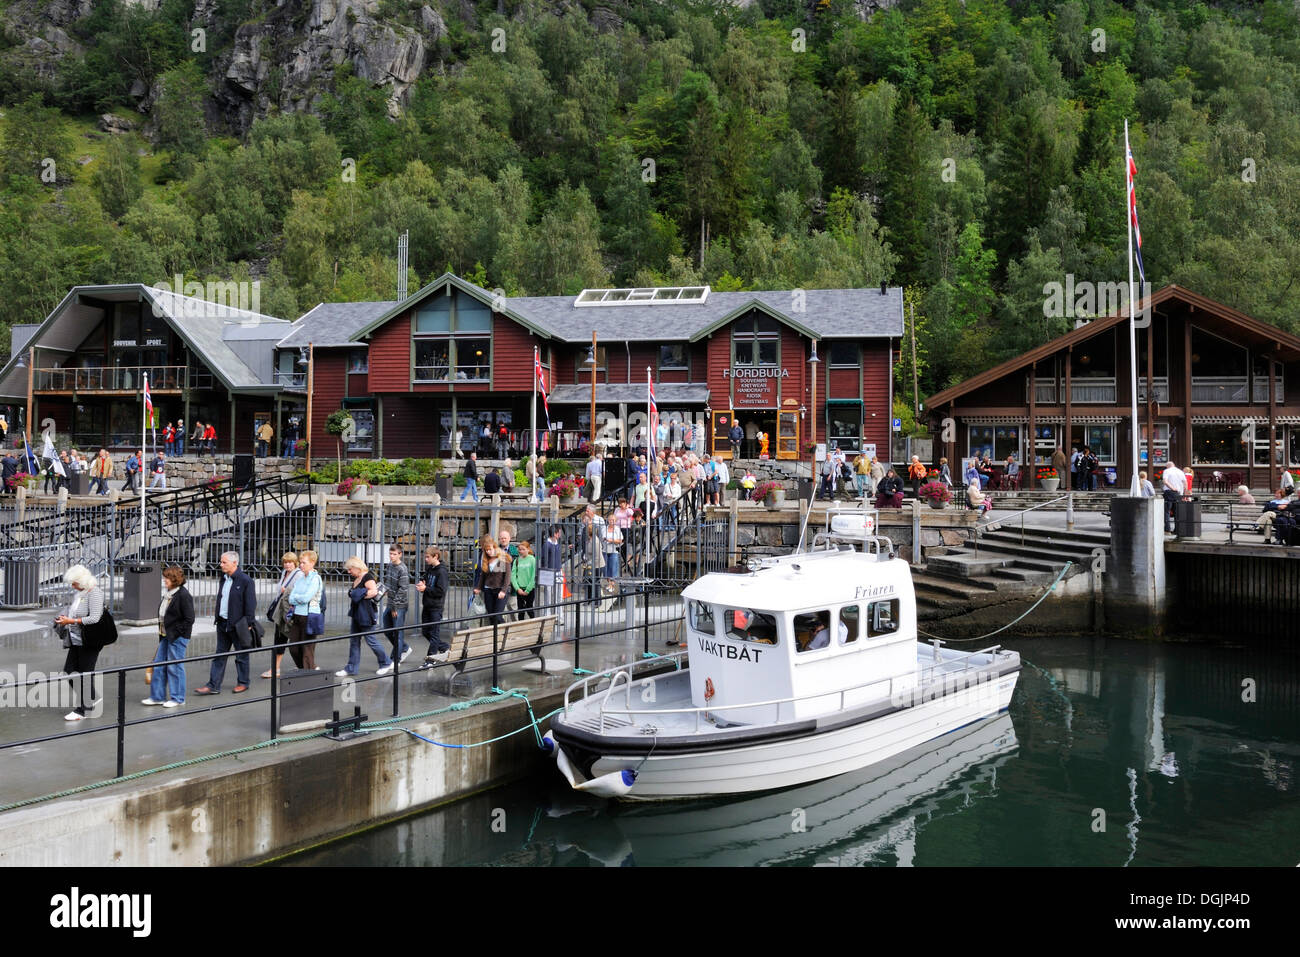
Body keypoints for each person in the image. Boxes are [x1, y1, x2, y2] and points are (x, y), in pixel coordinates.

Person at [195, 552, 258, 695]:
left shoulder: (246, 581)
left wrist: (248, 624)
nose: (221, 565)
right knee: (219, 655)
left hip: (238, 625)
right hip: (223, 623)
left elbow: (250, 605)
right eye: (221, 562)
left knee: (241, 656)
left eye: (224, 562)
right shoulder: (224, 578)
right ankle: (213, 685)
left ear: (235, 563)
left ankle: (243, 683)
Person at [53, 565, 110, 721]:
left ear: (82, 581)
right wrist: (65, 620)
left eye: (74, 583)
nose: (72, 586)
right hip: (76, 639)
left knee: (84, 673)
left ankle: (83, 709)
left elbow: (94, 618)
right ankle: (91, 698)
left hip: (90, 640)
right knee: (70, 671)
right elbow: (76, 613)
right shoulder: (81, 594)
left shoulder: (95, 593)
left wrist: (71, 620)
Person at [142, 566, 194, 708]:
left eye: (167, 577)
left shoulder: (183, 596)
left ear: (175, 579)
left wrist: (176, 633)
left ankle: (178, 698)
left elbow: (189, 619)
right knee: (159, 665)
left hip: (176, 637)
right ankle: (157, 696)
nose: (164, 580)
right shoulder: (170, 593)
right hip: (166, 635)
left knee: (174, 667)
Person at [337, 557, 394, 677]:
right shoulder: (358, 578)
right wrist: (357, 593)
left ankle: (386, 663)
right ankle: (351, 668)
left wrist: (358, 594)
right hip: (357, 612)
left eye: (350, 569)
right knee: (354, 641)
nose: (349, 572)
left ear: (357, 567)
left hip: (366, 613)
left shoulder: (367, 577)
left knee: (371, 640)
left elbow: (373, 592)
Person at [263, 551, 302, 678]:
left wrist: (288, 592)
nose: (287, 565)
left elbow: (299, 592)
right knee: (279, 638)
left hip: (291, 611)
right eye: (285, 562)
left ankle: (302, 665)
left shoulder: (299, 574)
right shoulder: (284, 573)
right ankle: (276, 668)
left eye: (290, 562)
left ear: (295, 563)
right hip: (282, 610)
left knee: (295, 639)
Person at [285, 549, 323, 671]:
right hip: (297, 615)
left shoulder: (315, 579)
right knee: (294, 647)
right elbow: (291, 598)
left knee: (307, 649)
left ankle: (308, 673)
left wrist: (297, 597)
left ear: (312, 563)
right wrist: (298, 598)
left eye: (303, 563)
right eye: (300, 562)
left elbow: (307, 598)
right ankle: (304, 668)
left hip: (310, 616)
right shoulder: (300, 579)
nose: (301, 565)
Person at [417, 546, 450, 665]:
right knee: (426, 632)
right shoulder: (430, 568)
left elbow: (441, 591)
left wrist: (426, 588)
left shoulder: (442, 571)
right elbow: (425, 578)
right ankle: (445, 647)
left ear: (435, 556)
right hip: (427, 605)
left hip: (436, 607)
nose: (426, 559)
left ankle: (431, 659)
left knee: (434, 633)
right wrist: (422, 583)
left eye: (428, 557)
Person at [381, 544, 412, 666]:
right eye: (390, 553)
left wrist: (395, 607)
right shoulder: (389, 566)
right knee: (387, 630)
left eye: (394, 554)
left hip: (399, 606)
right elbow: (388, 582)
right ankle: (404, 648)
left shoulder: (402, 569)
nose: (391, 556)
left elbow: (403, 589)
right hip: (390, 603)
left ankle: (396, 659)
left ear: (400, 554)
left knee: (397, 632)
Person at [473, 539, 511, 626]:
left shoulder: (503, 559)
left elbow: (507, 577)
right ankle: (494, 637)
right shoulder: (486, 560)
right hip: (488, 590)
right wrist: (478, 588)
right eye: (486, 550)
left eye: (490, 549)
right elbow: (483, 576)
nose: (488, 552)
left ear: (495, 548)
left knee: (497, 615)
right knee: (490, 615)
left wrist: (504, 590)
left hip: (500, 589)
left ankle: (505, 631)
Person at [540, 524, 564, 612]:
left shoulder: (556, 544)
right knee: (548, 596)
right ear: (555, 534)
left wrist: (560, 568)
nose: (560, 534)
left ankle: (559, 616)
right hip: (549, 572)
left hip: (558, 571)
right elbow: (544, 560)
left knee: (559, 596)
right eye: (559, 533)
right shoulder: (547, 545)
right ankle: (547, 616)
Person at [512, 540, 537, 619]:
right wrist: (517, 588)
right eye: (520, 549)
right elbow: (513, 576)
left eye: (523, 549)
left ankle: (534, 626)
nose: (521, 551)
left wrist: (528, 589)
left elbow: (534, 575)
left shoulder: (532, 559)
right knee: (520, 610)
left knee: (529, 608)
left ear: (528, 549)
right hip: (520, 589)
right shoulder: (517, 560)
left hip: (529, 589)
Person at [1161, 461, 1187, 534]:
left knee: (1167, 511)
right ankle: (1177, 530)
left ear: (1167, 466)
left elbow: (1165, 481)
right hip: (1179, 493)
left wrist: (1172, 488)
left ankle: (1167, 530)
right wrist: (1185, 495)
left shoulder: (1166, 471)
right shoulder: (1180, 471)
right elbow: (1185, 483)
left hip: (1169, 492)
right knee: (1177, 512)